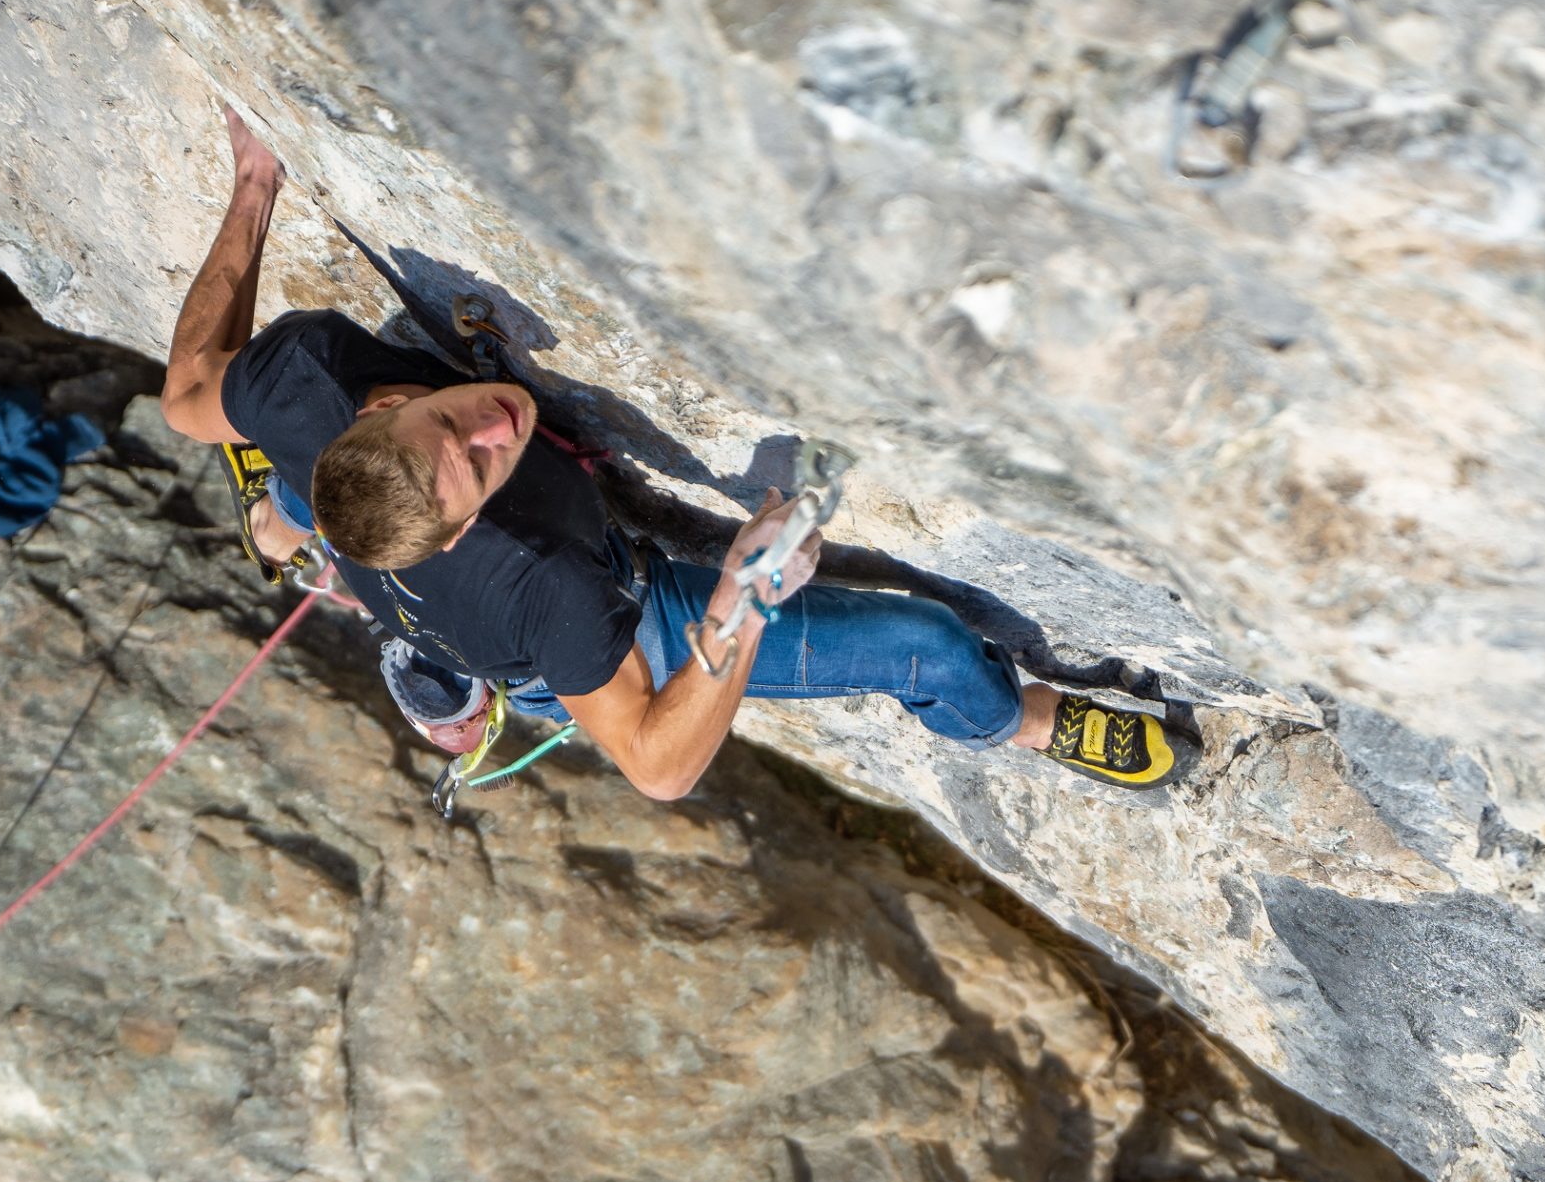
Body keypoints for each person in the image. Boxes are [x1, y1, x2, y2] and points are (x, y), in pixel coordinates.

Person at [159, 107, 1180, 797]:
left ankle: (284, 522)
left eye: (447, 423)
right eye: (480, 465)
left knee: (304, 489)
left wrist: (253, 189)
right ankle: (1019, 721)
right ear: (466, 526)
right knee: (935, 647)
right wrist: (739, 608)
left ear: (380, 407)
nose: (497, 425)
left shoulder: (297, 379)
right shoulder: (546, 586)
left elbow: (186, 393)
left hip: (373, 528)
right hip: (570, 632)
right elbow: (656, 767)